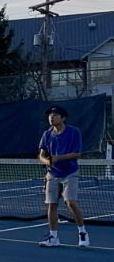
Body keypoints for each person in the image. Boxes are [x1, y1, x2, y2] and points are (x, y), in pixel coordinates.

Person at [38, 105, 89, 248]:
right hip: (52, 174)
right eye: (50, 115)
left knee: (71, 202)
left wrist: (58, 158)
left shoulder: (74, 132)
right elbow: (41, 155)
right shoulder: (47, 134)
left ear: (63, 118)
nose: (51, 117)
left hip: (70, 173)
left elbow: (77, 153)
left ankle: (82, 232)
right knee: (52, 205)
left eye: (55, 115)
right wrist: (47, 161)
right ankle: (53, 237)